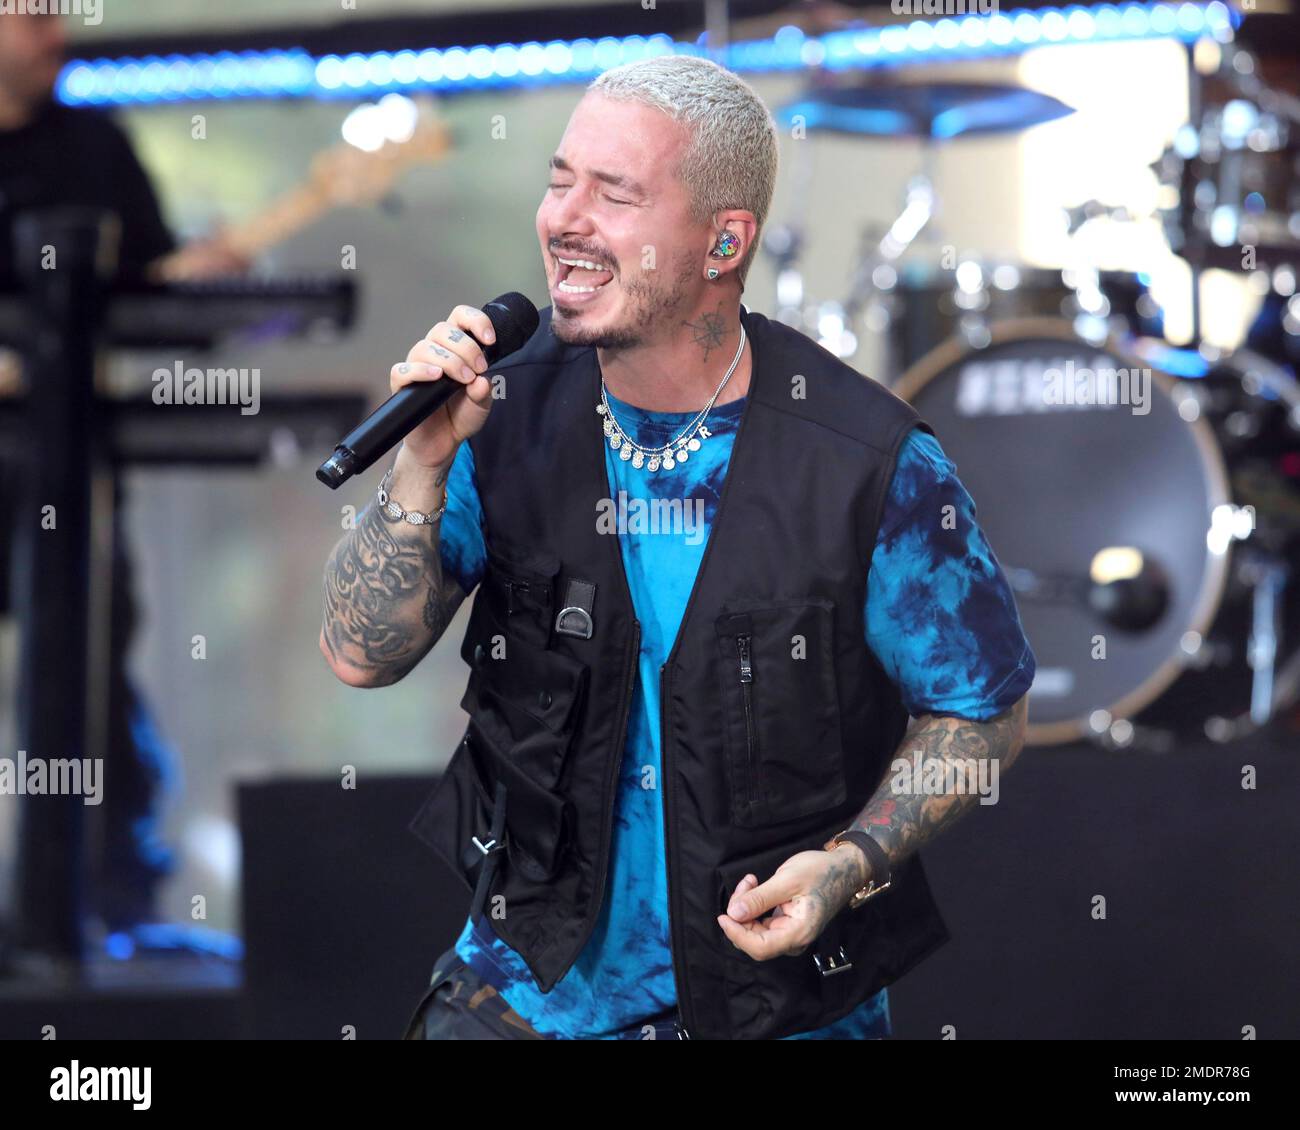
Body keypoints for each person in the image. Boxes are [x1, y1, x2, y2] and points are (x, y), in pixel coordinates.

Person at [319, 55, 1035, 1040]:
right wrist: (422, 466)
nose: (564, 218)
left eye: (613, 193)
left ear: (722, 239)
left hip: (775, 1012)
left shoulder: (865, 460)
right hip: (518, 997)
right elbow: (361, 653)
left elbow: (978, 712)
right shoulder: (498, 411)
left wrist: (851, 860)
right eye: (560, 178)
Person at [0, 9, 246, 938]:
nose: (53, 28)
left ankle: (104, 907)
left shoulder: (96, 147)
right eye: (30, 12)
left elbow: (156, 296)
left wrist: (206, 281)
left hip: (65, 469)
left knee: (90, 672)